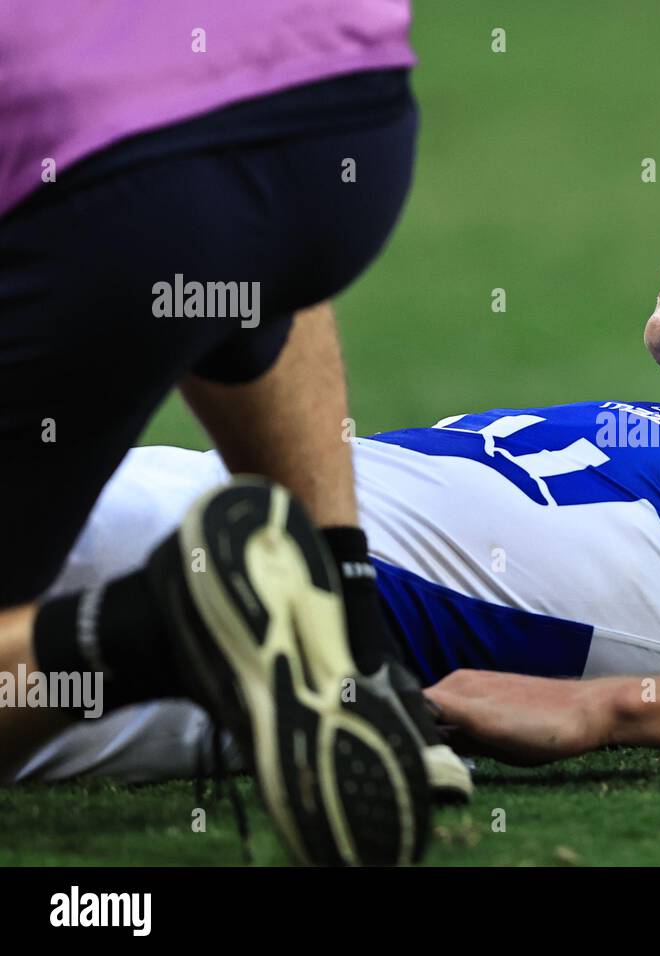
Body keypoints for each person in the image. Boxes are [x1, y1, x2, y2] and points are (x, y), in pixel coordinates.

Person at [3, 75, 660, 785]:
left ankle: (166, 623)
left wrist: (613, 710)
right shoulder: (631, 427)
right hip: (111, 518)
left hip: (155, 601)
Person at [0, 1, 461, 865]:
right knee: (228, 241)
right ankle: (356, 646)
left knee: (181, 198)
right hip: (342, 107)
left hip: (102, 165)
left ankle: (168, 627)